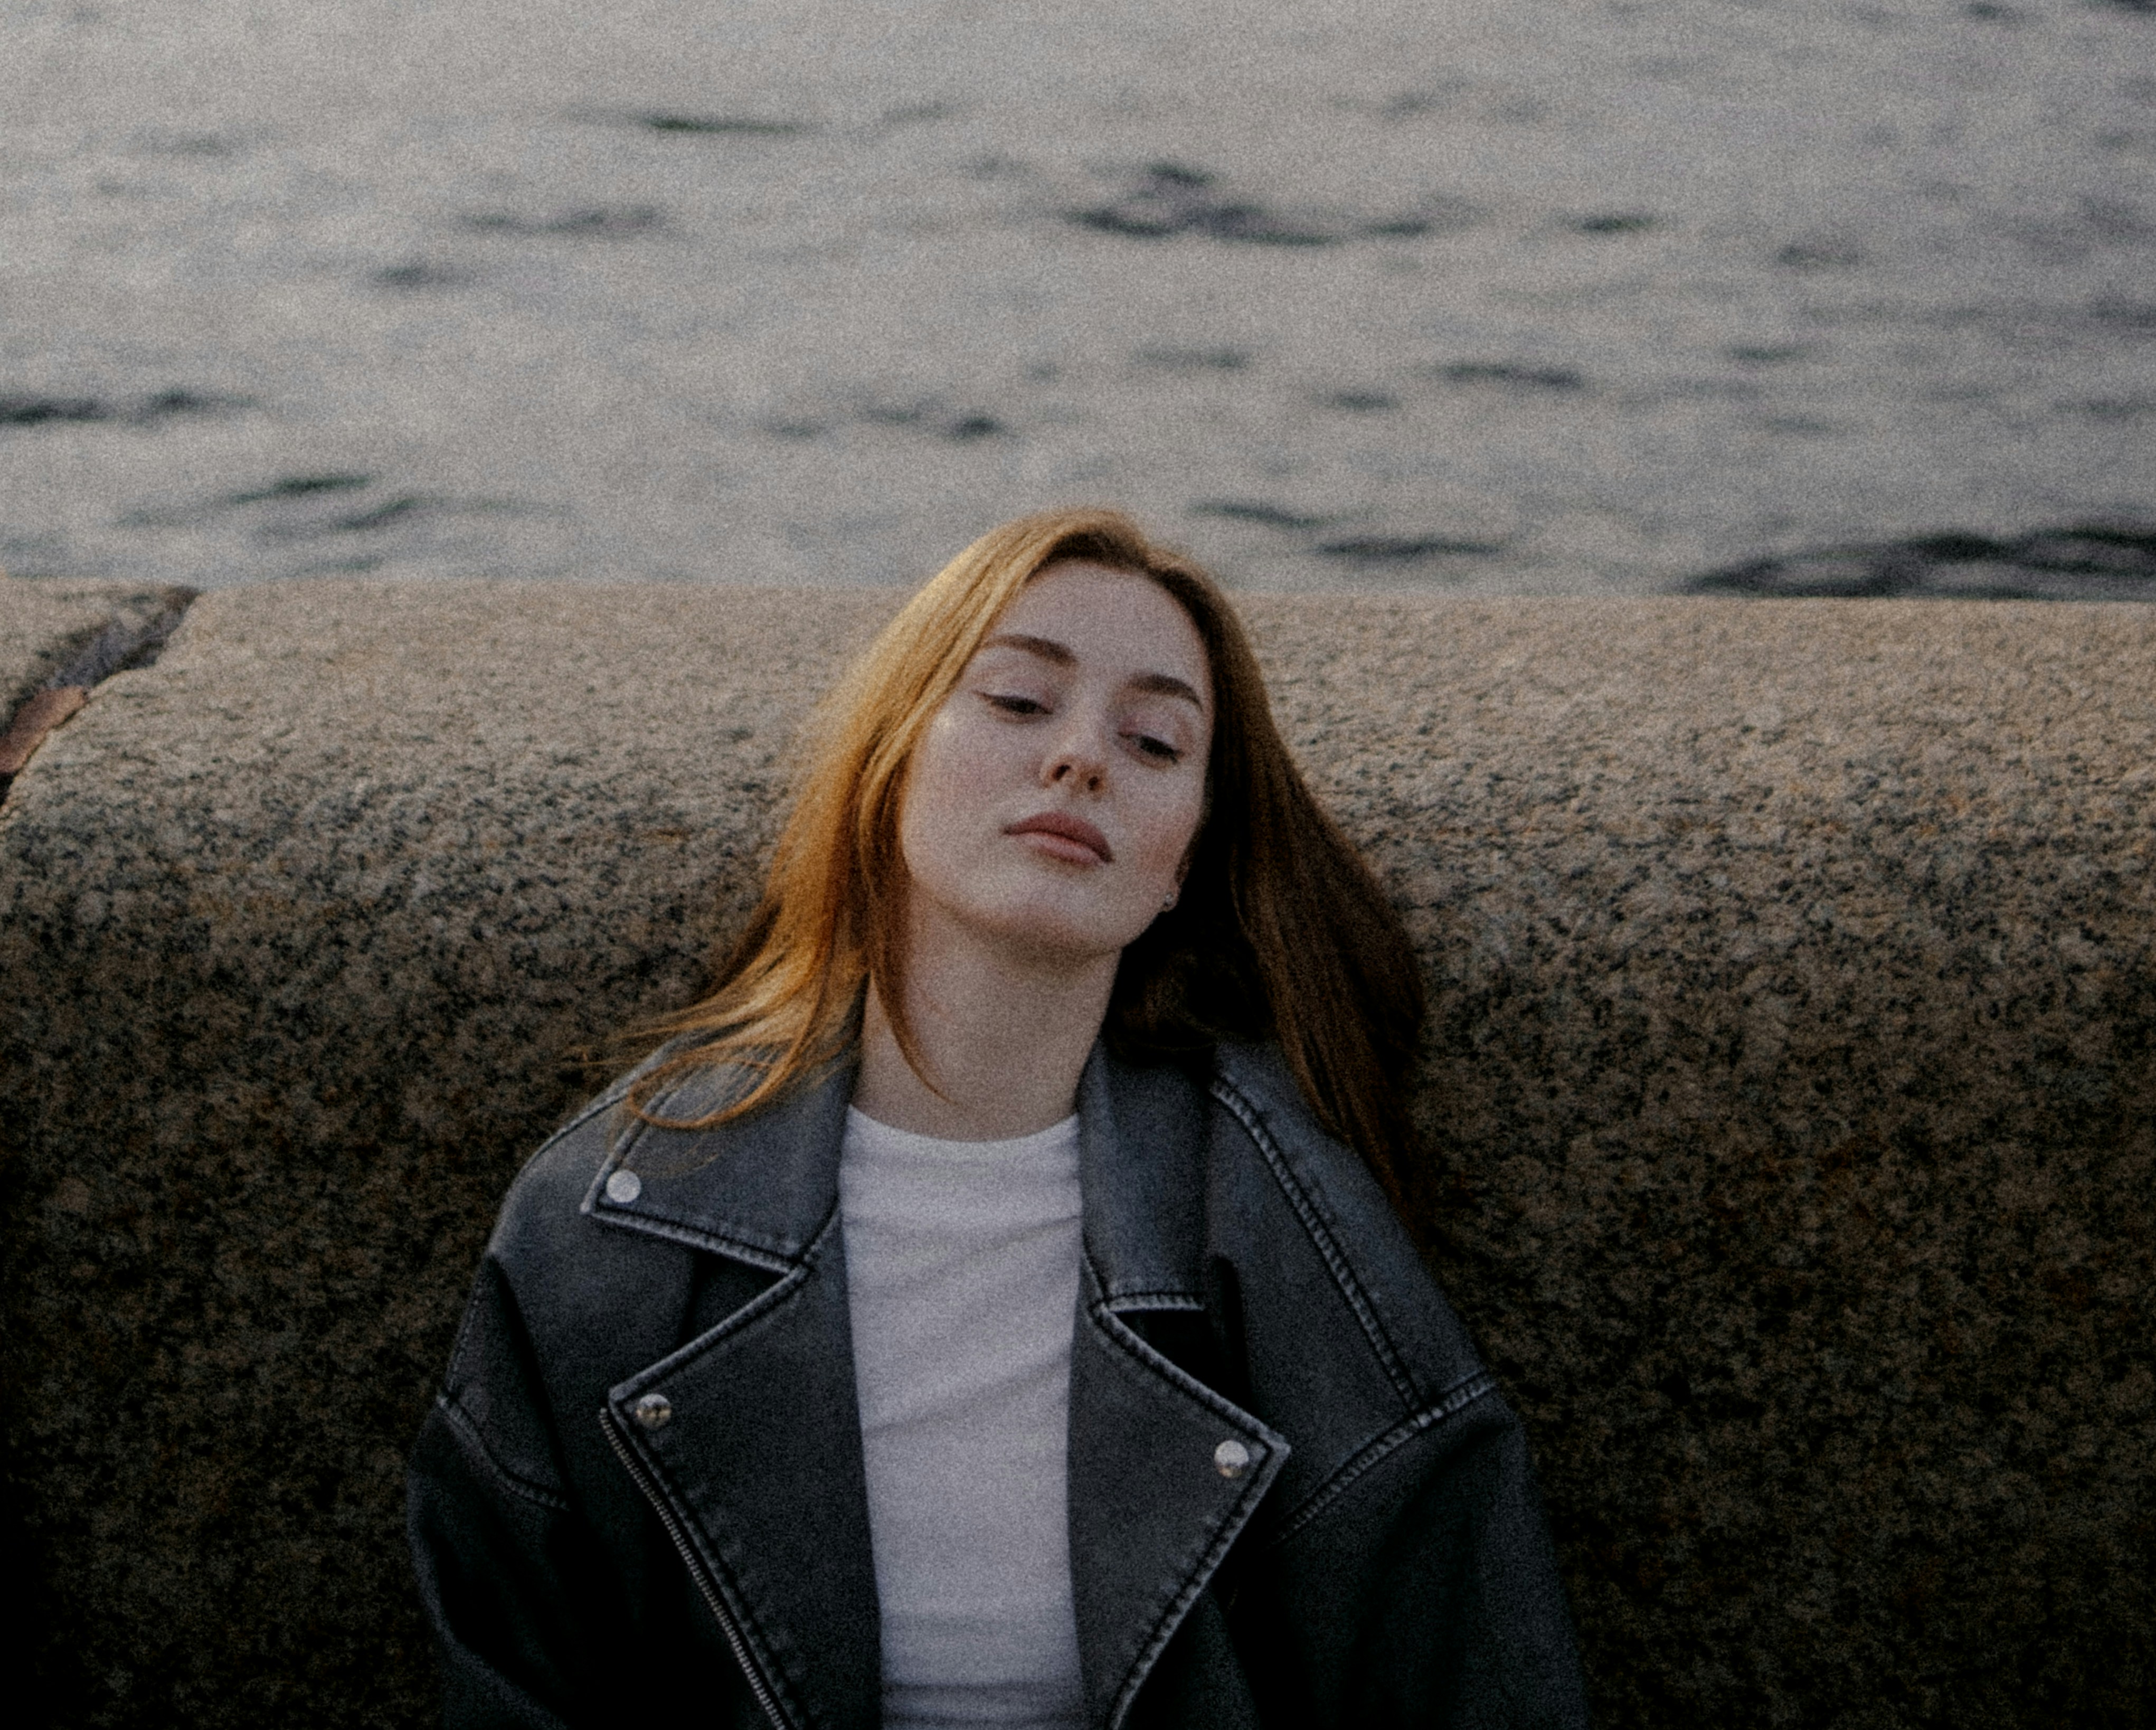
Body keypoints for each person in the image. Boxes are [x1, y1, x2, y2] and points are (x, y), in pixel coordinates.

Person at [409, 508, 1590, 1728]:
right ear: (892, 757)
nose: (1081, 757)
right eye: (1020, 703)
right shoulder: (608, 1222)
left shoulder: (1288, 1225)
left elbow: (1463, 1663)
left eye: (1152, 740)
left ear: (1182, 860)